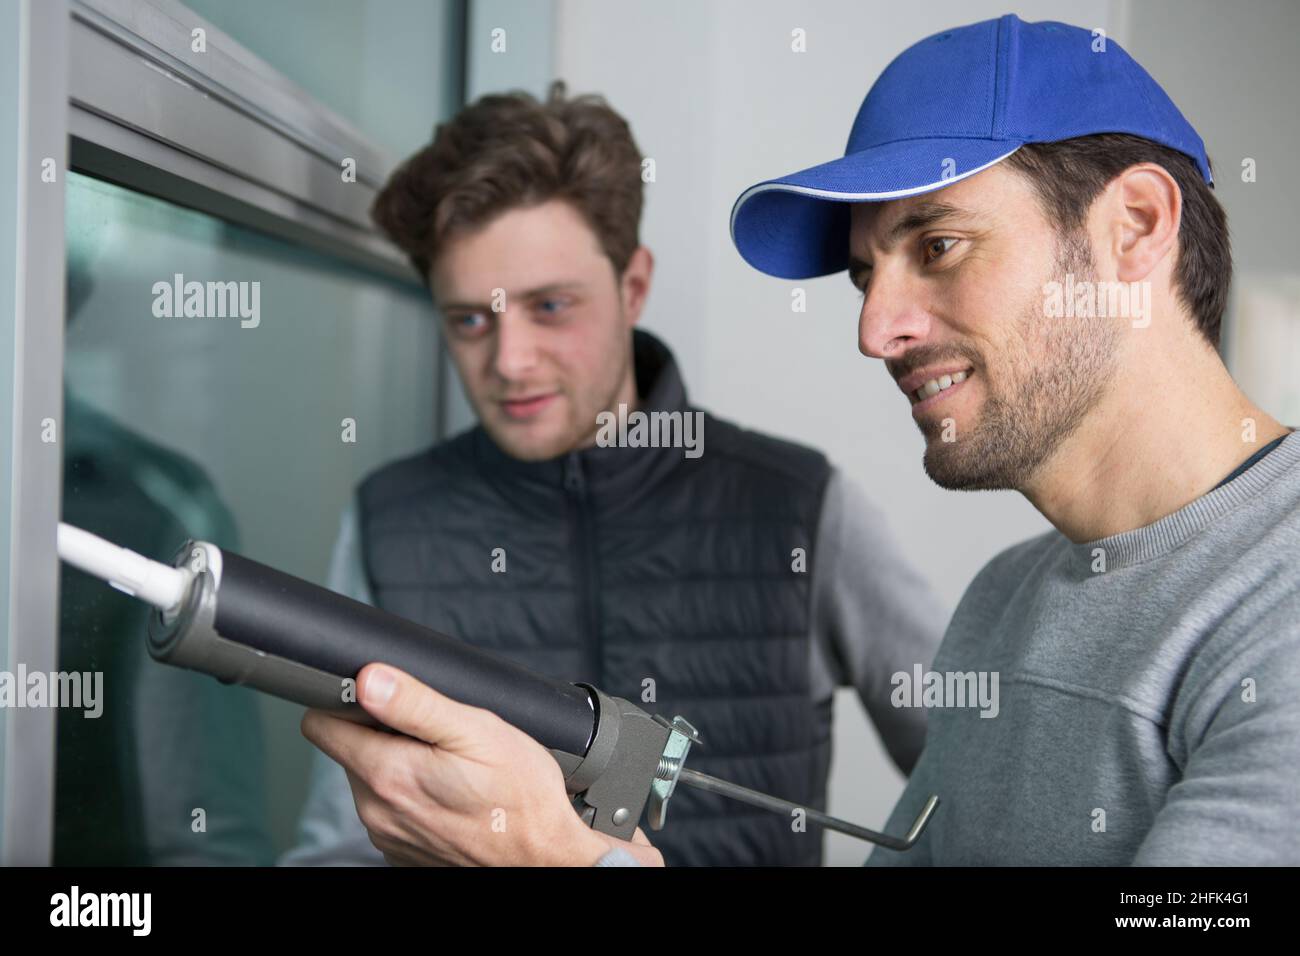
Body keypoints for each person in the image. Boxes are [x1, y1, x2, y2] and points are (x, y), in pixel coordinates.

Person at [309, 13, 1300, 867]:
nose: (874, 332)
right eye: (868, 275)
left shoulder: (1275, 604)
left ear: (1134, 224)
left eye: (937, 245)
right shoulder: (1003, 601)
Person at [285, 82, 947, 867]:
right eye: (470, 320)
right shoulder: (390, 520)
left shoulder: (801, 508)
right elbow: (338, 850)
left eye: (551, 307)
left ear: (633, 286)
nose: (510, 362)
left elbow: (992, 795)